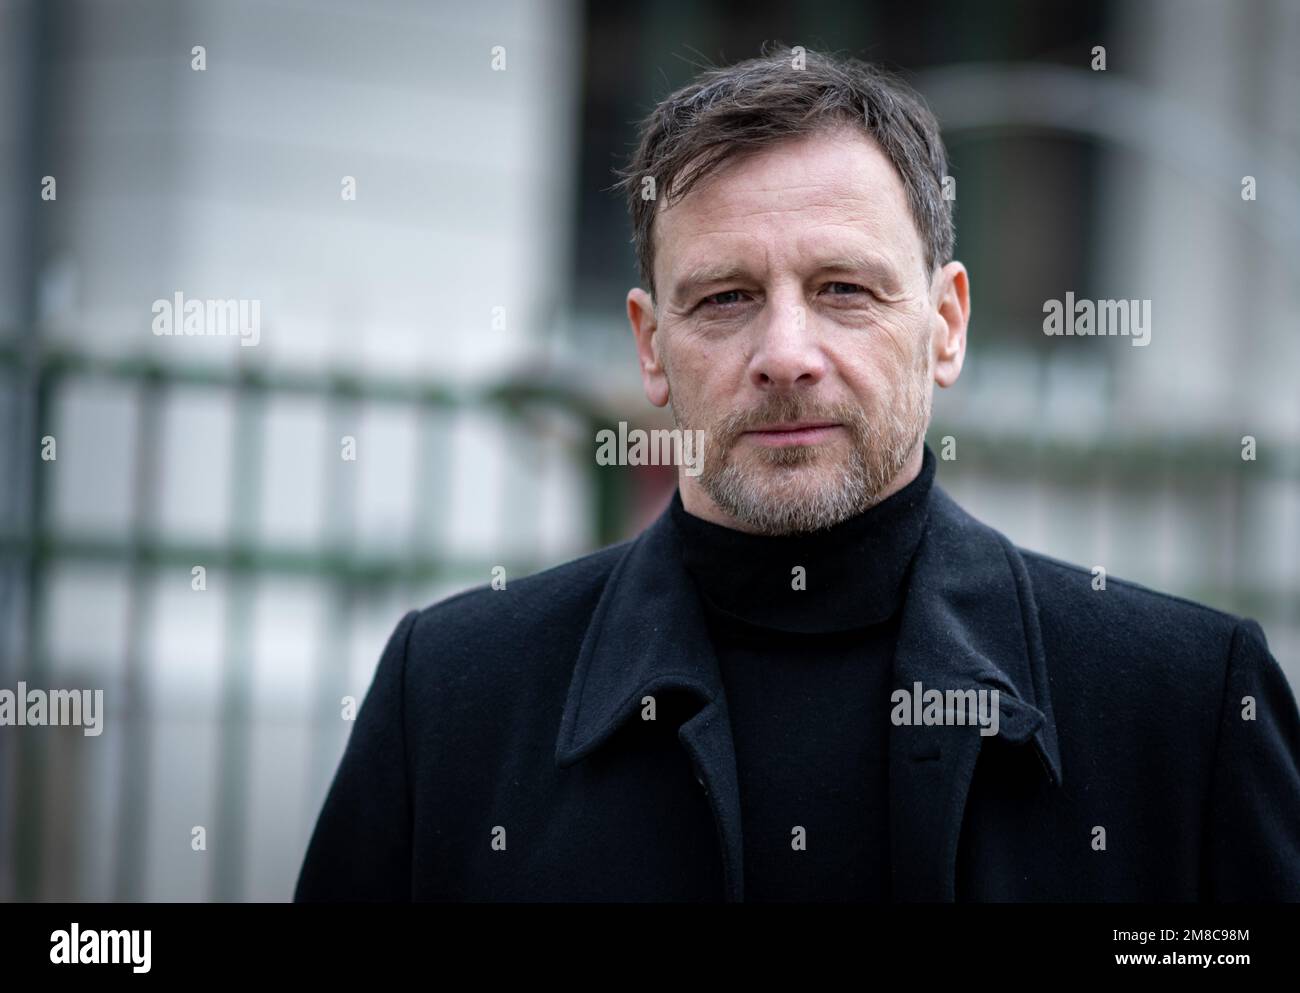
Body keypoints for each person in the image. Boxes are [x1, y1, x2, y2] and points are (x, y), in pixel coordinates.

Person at [294, 47, 1300, 902]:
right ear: (650, 346)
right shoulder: (453, 694)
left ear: (944, 325)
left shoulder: (1184, 708)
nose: (786, 353)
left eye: (842, 290)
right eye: (726, 297)